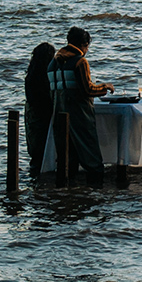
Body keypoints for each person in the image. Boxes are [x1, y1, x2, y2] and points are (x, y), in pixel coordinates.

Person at [47, 26, 113, 177]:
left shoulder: (52, 64)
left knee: (67, 158)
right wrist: (105, 87)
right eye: (87, 46)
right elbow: (87, 90)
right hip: (80, 115)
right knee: (91, 157)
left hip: (59, 115)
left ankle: (68, 187)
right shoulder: (80, 62)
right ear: (84, 45)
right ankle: (95, 187)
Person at [22, 41, 57, 183]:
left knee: (35, 147)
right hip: (44, 113)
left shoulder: (31, 76)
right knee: (45, 146)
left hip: (32, 113)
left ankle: (36, 178)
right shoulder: (49, 76)